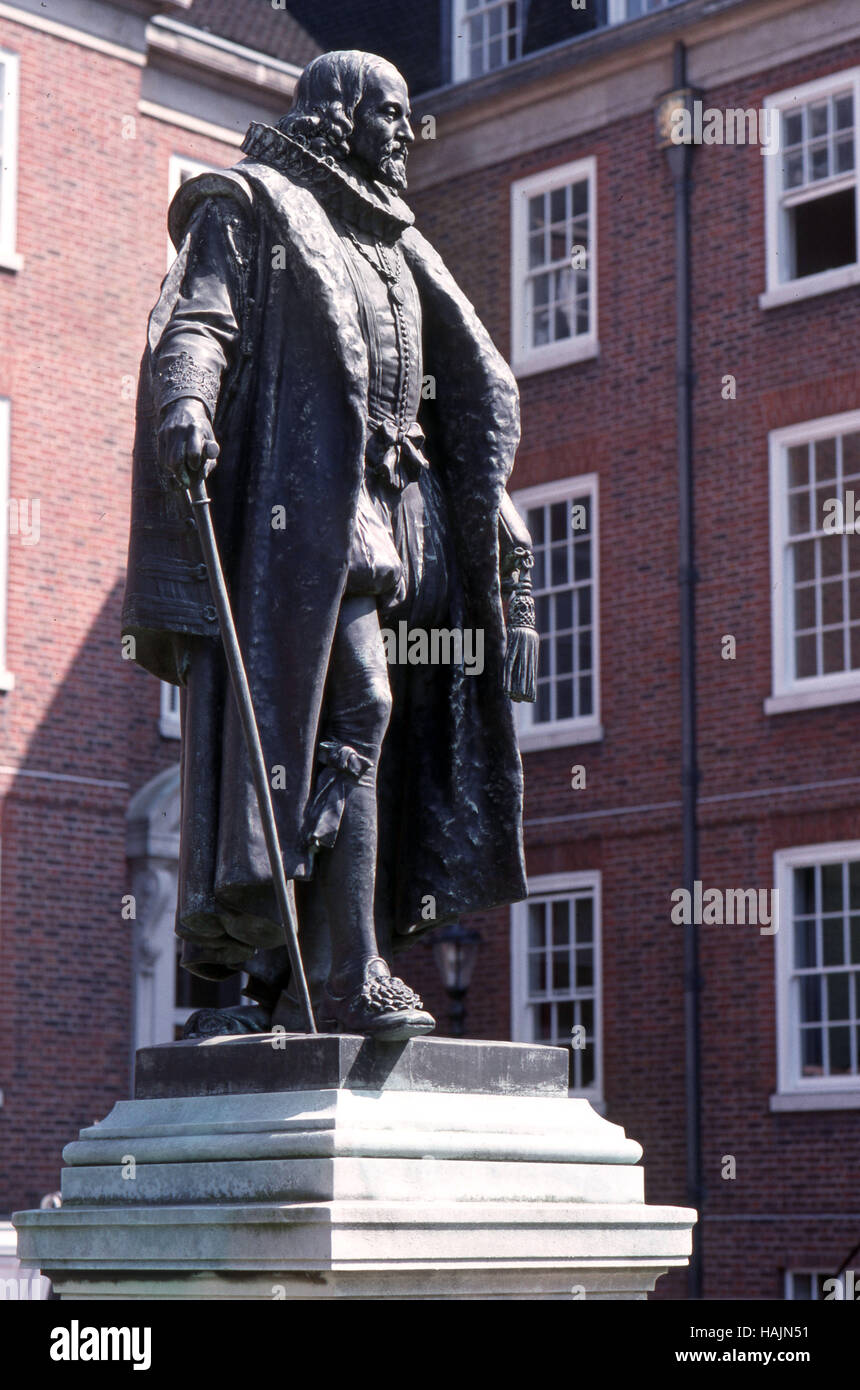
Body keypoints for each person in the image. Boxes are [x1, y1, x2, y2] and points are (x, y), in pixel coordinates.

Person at [122, 50, 536, 1041]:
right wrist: (186, 405)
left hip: (409, 515)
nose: (404, 133)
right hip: (309, 514)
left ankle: (279, 978)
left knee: (380, 742)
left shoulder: (396, 239)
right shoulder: (252, 205)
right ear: (338, 114)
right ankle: (354, 974)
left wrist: (494, 518)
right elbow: (198, 322)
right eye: (389, 114)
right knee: (362, 708)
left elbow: (460, 383)